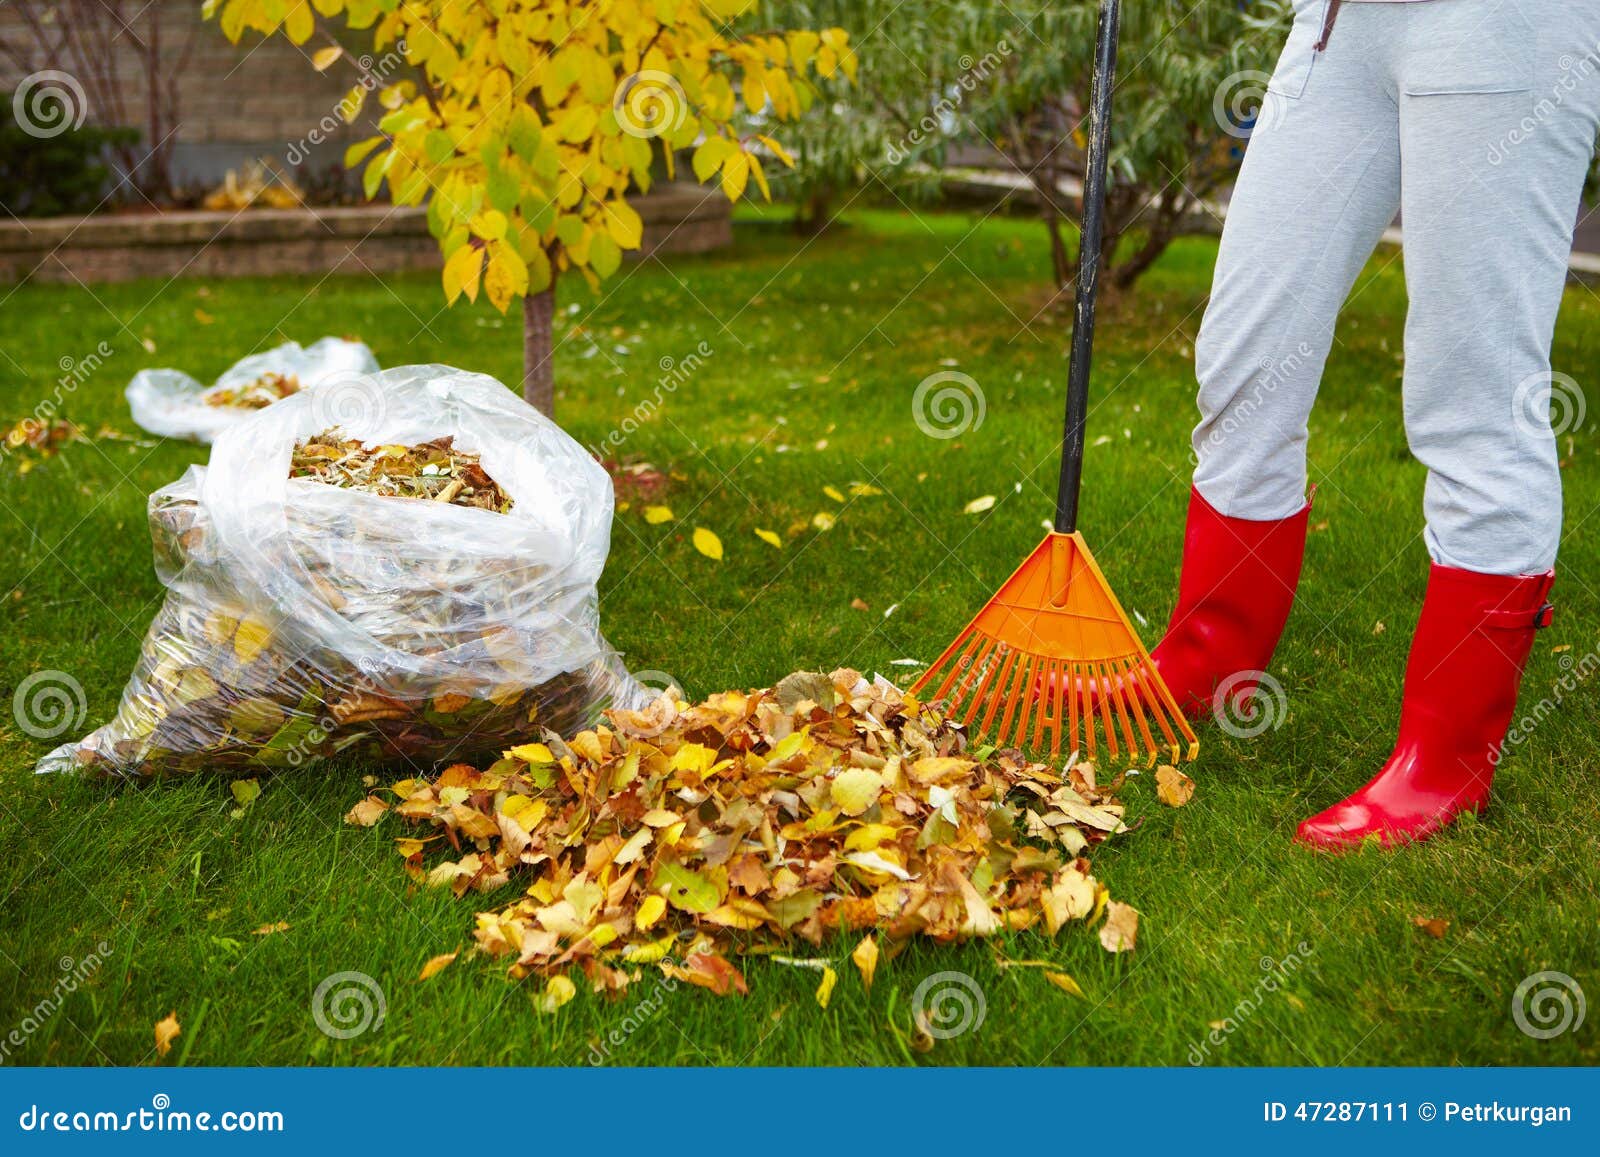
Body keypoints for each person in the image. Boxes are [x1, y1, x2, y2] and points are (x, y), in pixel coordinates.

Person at [1151, 0, 1600, 849]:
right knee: (1247, 359)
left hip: (1499, 25)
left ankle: (1444, 764)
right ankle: (1206, 665)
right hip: (1338, 20)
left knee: (1473, 388)